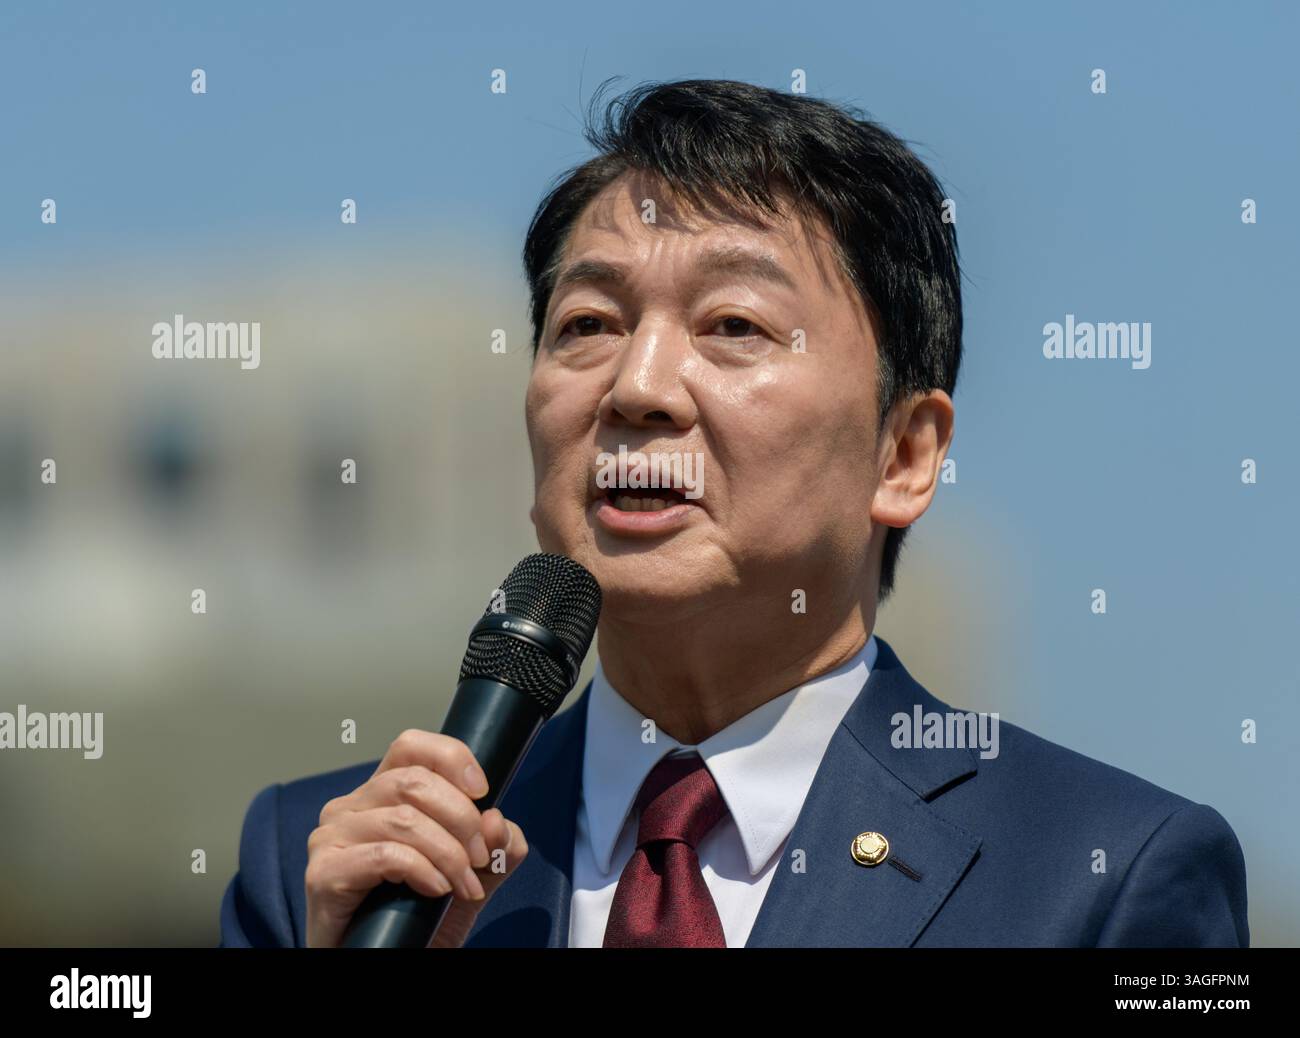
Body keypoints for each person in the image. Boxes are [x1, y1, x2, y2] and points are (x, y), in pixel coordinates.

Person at [220, 79, 1248, 948]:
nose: (638, 386)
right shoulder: (327, 863)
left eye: (733, 325)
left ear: (904, 454)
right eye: (587, 323)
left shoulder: (1104, 876)